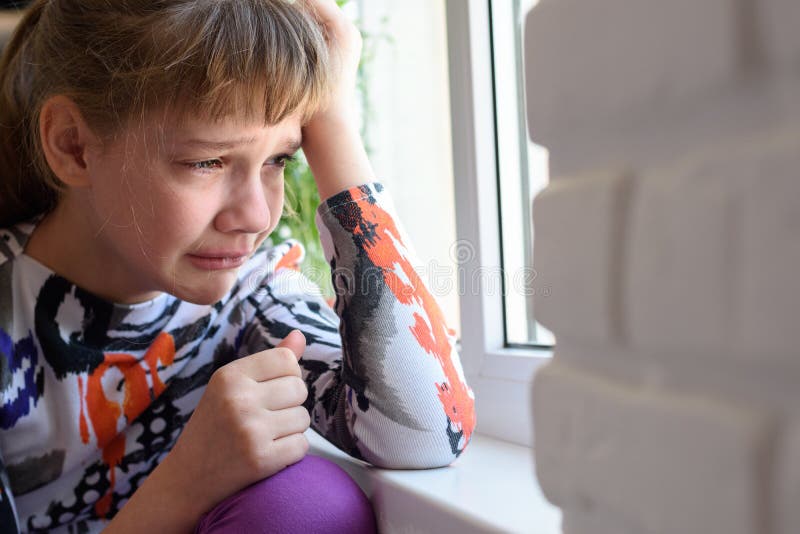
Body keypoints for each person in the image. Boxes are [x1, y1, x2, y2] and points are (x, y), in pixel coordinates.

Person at [0, 0, 477, 532]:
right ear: (74, 145)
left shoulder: (253, 294)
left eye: (279, 160)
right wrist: (185, 485)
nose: (256, 216)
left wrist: (332, 114)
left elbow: (432, 430)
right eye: (206, 161)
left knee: (309, 504)